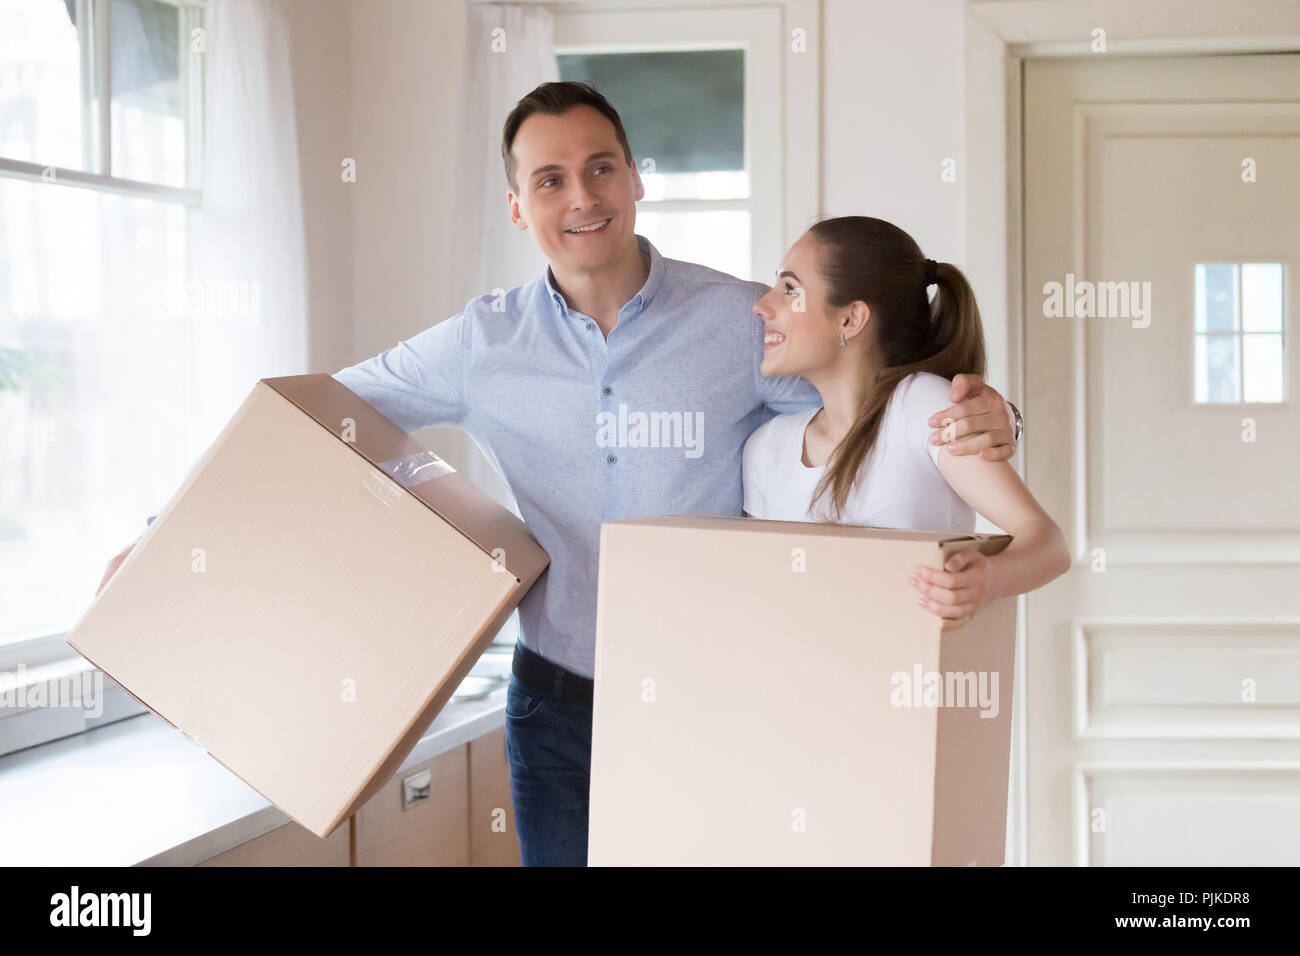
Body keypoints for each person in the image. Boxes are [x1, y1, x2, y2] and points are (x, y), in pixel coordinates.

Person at [100, 83, 1021, 865]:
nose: (581, 196)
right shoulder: (481, 343)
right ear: (518, 206)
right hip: (555, 708)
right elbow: (304, 419)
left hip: (715, 696)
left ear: (634, 179)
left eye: (600, 167)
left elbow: (880, 402)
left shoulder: (743, 322)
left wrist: (994, 416)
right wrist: (165, 538)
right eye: (549, 179)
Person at [744, 216, 1068, 628]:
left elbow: (1049, 544)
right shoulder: (766, 447)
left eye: (790, 289)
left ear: (851, 319)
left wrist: (988, 580)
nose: (761, 305)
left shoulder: (921, 408)